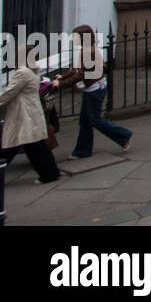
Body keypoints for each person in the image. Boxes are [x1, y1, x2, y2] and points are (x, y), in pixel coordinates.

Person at [53, 25, 132, 158]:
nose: (74, 39)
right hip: (93, 88)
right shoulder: (86, 50)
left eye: (76, 37)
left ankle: (124, 135)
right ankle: (83, 151)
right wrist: (62, 78)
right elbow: (77, 70)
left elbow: (80, 74)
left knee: (94, 120)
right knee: (85, 121)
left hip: (95, 90)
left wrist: (60, 84)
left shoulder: (89, 52)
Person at [0, 44, 61, 184]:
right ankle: (51, 173)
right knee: (35, 145)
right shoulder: (33, 71)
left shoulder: (23, 72)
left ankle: (49, 174)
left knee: (26, 145)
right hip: (30, 111)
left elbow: (10, 92)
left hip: (24, 113)